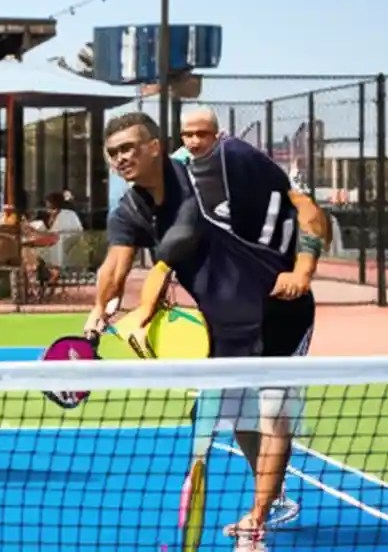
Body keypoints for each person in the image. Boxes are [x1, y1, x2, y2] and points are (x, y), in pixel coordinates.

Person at [86, 110, 327, 544]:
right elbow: (115, 267)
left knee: (272, 415)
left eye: (130, 148)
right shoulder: (129, 212)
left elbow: (307, 209)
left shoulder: (217, 171)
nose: (121, 158)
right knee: (241, 420)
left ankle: (256, 521)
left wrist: (303, 271)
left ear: (155, 147)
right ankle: (273, 494)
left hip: (279, 314)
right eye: (113, 152)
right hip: (225, 329)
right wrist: (99, 311)